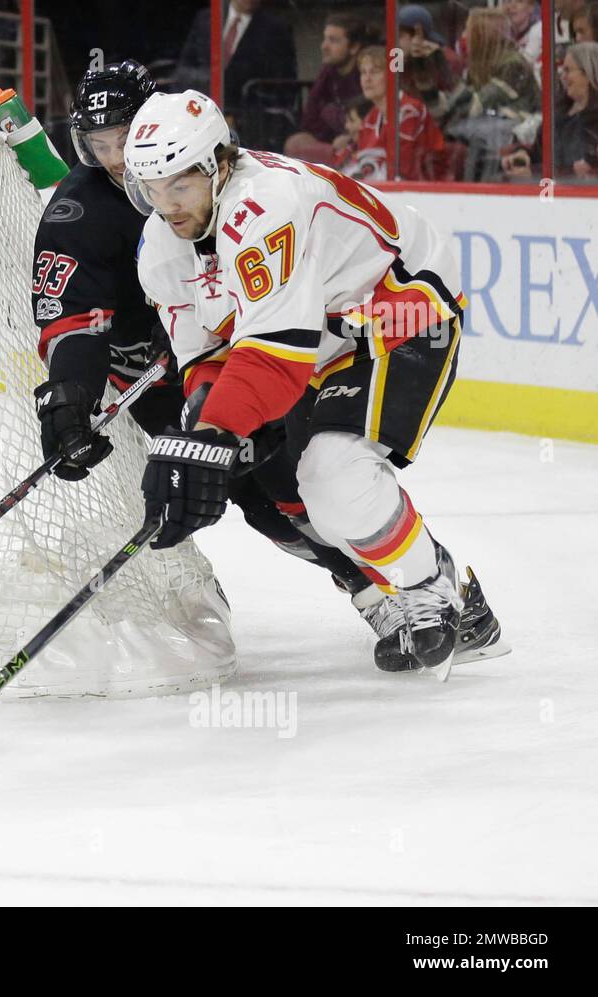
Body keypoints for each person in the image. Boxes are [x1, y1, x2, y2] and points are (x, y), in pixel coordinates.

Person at [124, 90, 506, 675]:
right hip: (317, 340)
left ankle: (441, 594)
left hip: (398, 313)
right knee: (289, 497)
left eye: (179, 185)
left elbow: (276, 362)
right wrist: (202, 435)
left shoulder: (266, 205)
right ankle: (398, 591)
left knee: (335, 473)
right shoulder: (160, 247)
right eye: (151, 188)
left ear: (219, 165)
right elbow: (206, 357)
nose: (166, 205)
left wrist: (209, 437)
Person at [35, 61, 390, 647]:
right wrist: (69, 397)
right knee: (254, 499)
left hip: (242, 354)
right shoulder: (81, 209)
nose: (119, 158)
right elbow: (74, 313)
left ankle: (385, 585)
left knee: (294, 477)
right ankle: (362, 582)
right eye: (100, 145)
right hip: (159, 376)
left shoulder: (226, 184)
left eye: (125, 138)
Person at [441, 6, 541, 180]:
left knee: (459, 135)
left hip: (519, 133)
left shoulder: (513, 64)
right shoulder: (478, 65)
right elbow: (453, 107)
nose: (464, 36)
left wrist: (449, 88)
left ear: (483, 35)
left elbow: (474, 106)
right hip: (490, 132)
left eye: (468, 30)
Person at [173, 0, 296, 110]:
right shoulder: (205, 19)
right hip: (199, 108)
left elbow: (282, 89)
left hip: (247, 118)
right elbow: (184, 68)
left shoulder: (276, 30)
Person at [501, 41, 598, 179]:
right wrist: (522, 155)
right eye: (562, 70)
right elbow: (540, 154)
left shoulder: (594, 123)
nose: (562, 76)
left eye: (568, 70)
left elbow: (582, 170)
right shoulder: (558, 114)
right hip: (547, 194)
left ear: (588, 73)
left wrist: (535, 174)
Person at [348, 45, 445, 181]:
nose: (367, 79)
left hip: (426, 193)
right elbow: (360, 161)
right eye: (363, 72)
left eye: (374, 72)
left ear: (392, 76)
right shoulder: (371, 118)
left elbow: (402, 169)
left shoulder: (410, 112)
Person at [284, 15, 367, 165]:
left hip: (360, 145)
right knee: (295, 142)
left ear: (354, 47)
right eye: (325, 39)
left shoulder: (366, 73)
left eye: (333, 40)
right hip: (332, 143)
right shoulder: (328, 71)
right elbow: (309, 120)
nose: (324, 46)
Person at [398, 3, 457, 115]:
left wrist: (429, 63)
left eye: (399, 36)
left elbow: (453, 98)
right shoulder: (401, 58)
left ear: (418, 35)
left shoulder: (446, 58)